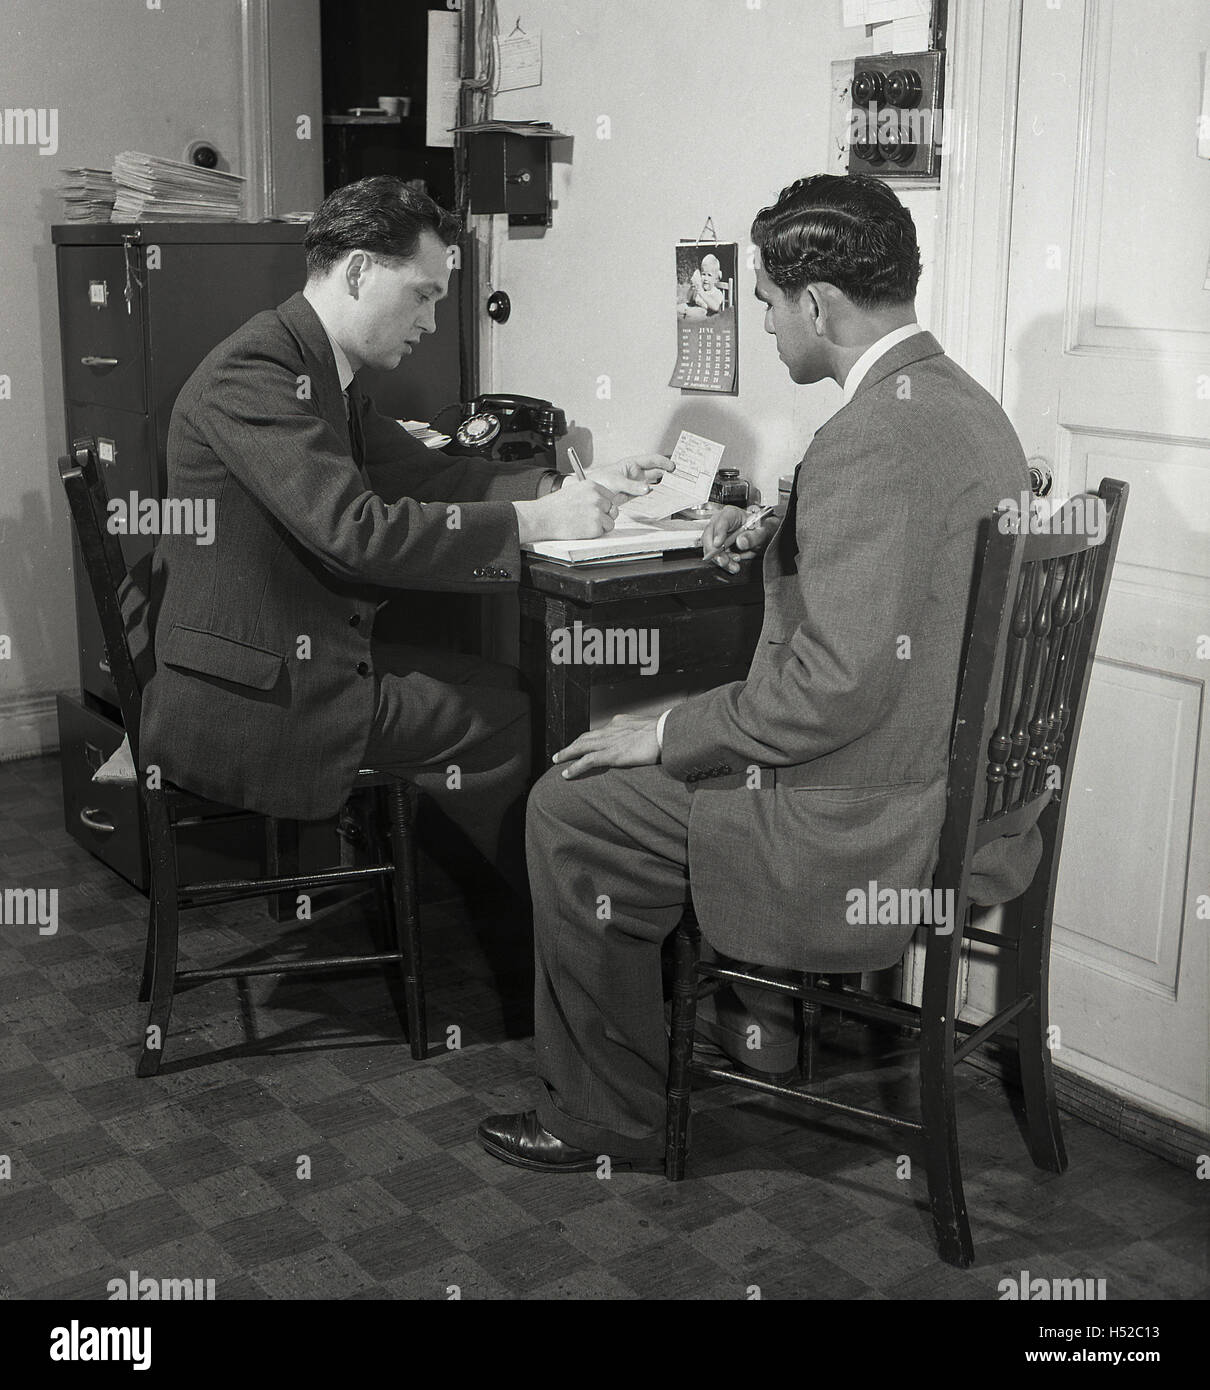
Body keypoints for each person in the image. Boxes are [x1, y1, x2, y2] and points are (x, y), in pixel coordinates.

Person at [479, 173, 1043, 1172]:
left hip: (872, 812)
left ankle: (603, 1114)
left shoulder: (870, 436)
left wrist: (665, 732)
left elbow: (833, 687)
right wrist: (781, 532)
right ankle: (757, 1034)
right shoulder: (963, 404)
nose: (769, 326)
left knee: (572, 806)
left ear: (816, 304)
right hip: (965, 788)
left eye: (768, 307)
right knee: (676, 762)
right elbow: (914, 567)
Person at [139, 176, 666, 897]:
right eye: (422, 294)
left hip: (284, 654)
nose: (430, 321)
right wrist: (534, 526)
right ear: (359, 272)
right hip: (250, 696)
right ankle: (551, 913)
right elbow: (354, 532)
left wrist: (564, 489)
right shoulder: (257, 372)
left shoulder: (319, 369)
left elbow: (426, 478)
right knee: (506, 711)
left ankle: (529, 906)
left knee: (498, 684)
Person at [678, 252, 727, 318]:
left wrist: (701, 292)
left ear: (716, 279)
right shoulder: (700, 288)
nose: (705, 278)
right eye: (703, 274)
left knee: (691, 314)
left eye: (709, 275)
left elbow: (716, 307)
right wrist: (692, 288)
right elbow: (689, 299)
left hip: (708, 319)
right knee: (678, 308)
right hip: (694, 312)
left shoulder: (717, 293)